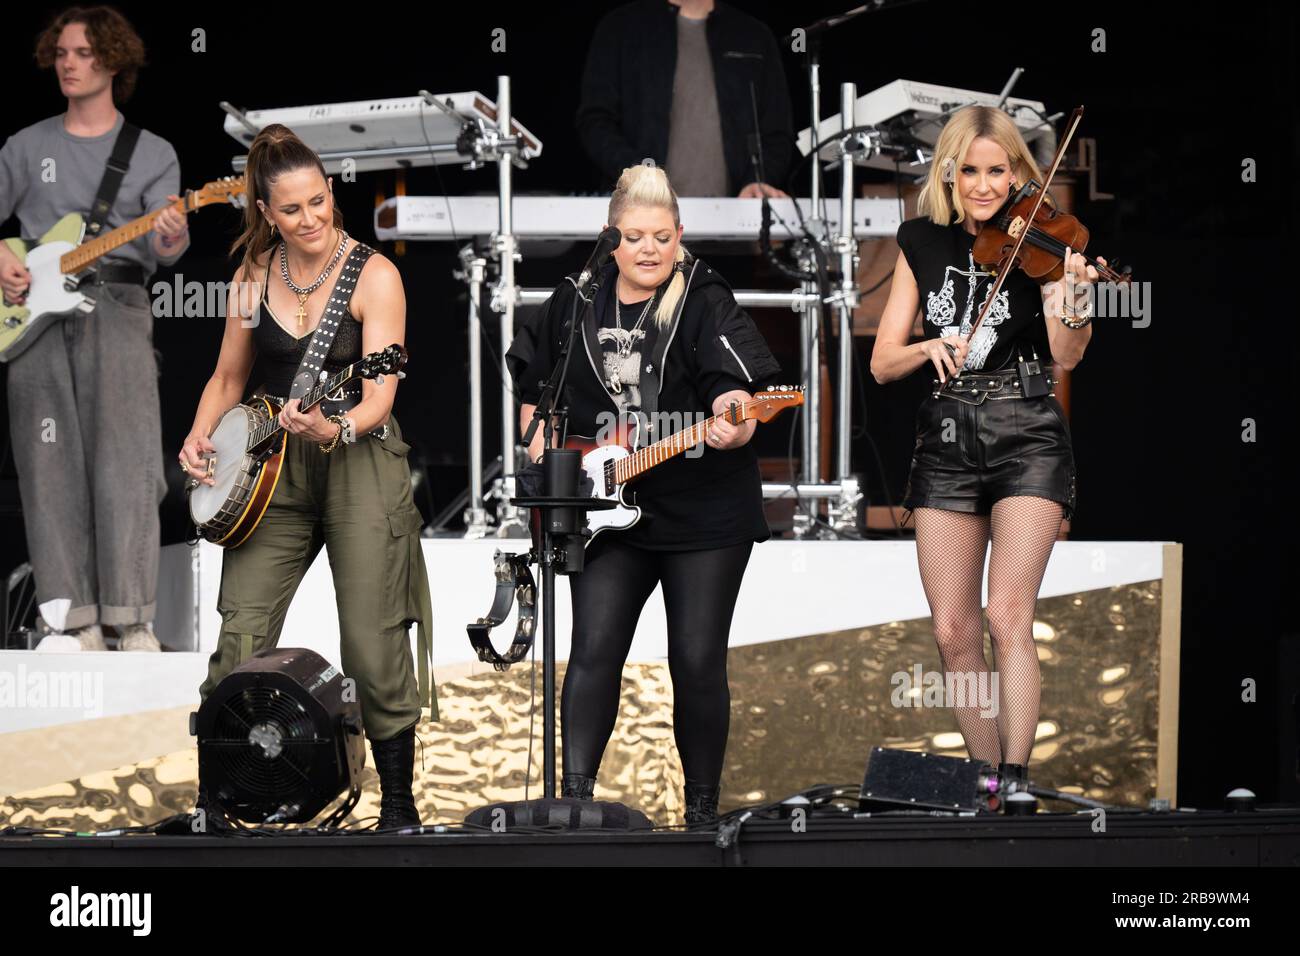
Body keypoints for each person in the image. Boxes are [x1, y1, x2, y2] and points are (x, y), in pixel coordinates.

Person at [179, 124, 435, 830]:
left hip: (358, 458)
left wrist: (339, 425)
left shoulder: (374, 274)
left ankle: (400, 809)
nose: (311, 218)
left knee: (371, 643)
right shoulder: (250, 277)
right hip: (270, 470)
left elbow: (380, 395)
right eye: (291, 209)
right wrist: (202, 437)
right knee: (241, 636)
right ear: (266, 212)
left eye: (319, 201)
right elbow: (228, 377)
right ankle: (217, 802)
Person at [507, 164, 781, 823]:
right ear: (611, 239)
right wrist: (544, 452)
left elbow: (739, 392)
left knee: (695, 656)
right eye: (635, 237)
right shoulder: (574, 301)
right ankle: (575, 804)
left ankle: (703, 813)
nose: (650, 249)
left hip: (704, 508)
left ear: (680, 235)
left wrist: (732, 421)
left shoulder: (704, 297)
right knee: (595, 648)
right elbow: (532, 393)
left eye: (663, 236)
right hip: (605, 512)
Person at [870, 105, 1100, 794]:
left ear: (1017, 173)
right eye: (969, 170)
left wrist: (1076, 299)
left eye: (997, 170)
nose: (983, 185)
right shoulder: (920, 239)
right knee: (951, 628)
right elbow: (882, 363)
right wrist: (927, 346)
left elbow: (1067, 355)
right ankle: (986, 787)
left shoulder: (1048, 246)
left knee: (1008, 615)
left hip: (1026, 429)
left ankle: (1019, 780)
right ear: (949, 171)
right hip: (945, 438)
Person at [0, 6, 189, 652]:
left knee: (130, 464)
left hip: (118, 307)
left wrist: (175, 231)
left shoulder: (154, 153)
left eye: (81, 53)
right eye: (61, 53)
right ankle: (70, 619)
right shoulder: (24, 147)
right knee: (47, 466)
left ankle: (130, 619)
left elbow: (168, 251)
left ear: (112, 61)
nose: (68, 64)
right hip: (35, 319)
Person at [576, 0, 795, 198]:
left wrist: (756, 182)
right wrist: (640, 173)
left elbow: (776, 133)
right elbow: (595, 120)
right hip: (638, 219)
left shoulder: (754, 35)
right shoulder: (620, 26)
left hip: (734, 225)